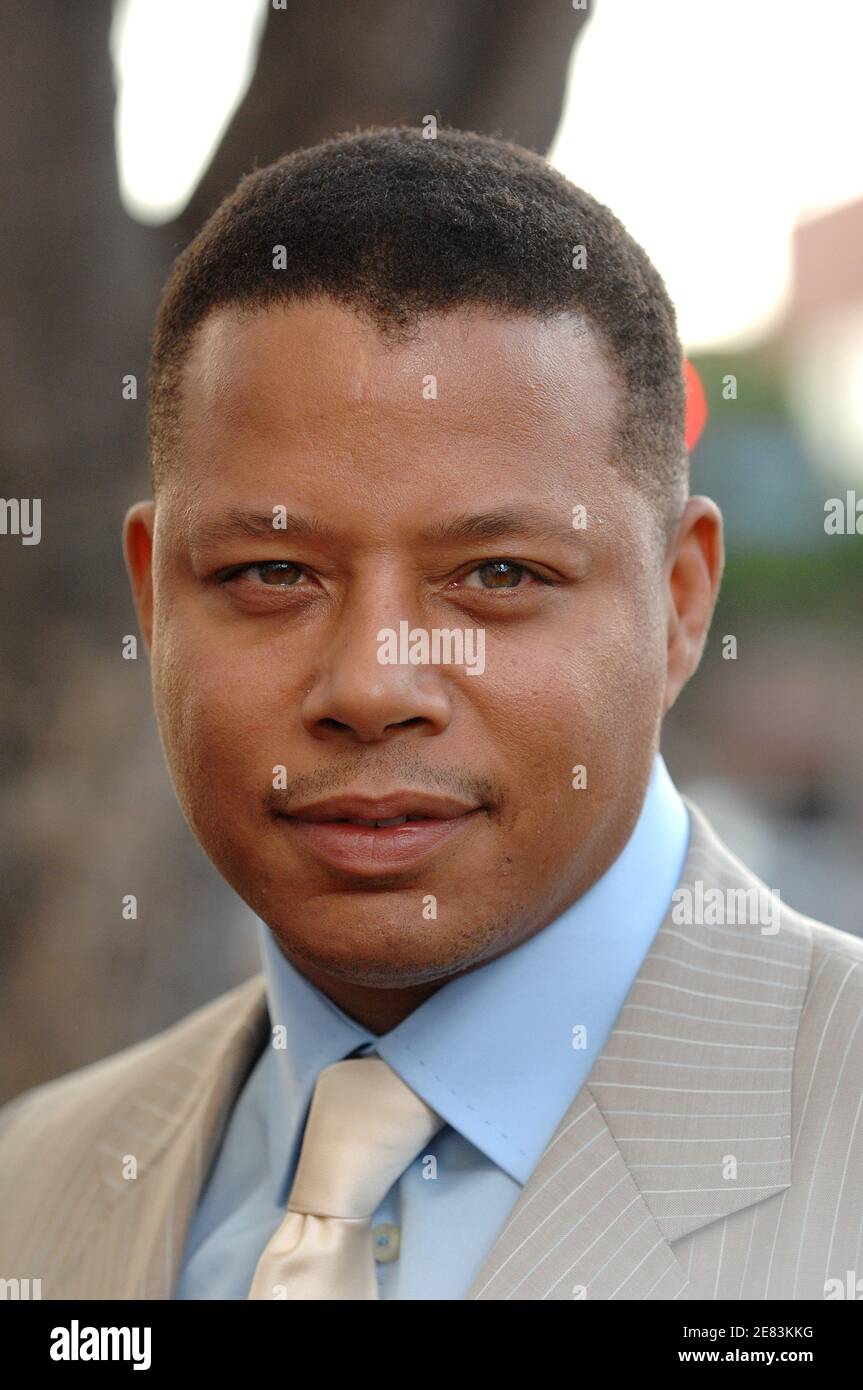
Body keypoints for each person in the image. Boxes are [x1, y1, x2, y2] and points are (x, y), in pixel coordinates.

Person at [1, 127, 860, 1302]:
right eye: (270, 572)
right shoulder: (32, 1184)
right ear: (152, 598)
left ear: (676, 604)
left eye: (498, 575)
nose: (371, 684)